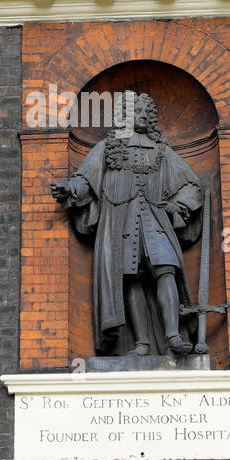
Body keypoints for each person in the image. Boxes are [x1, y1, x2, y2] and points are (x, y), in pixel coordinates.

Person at [51, 92, 204, 356]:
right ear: (124, 116)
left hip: (155, 218)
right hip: (120, 220)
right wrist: (70, 188)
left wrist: (180, 204)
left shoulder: (162, 151)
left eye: (147, 112)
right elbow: (87, 179)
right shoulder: (107, 149)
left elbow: (190, 184)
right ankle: (142, 343)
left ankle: (172, 336)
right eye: (137, 112)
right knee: (131, 277)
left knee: (166, 267)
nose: (143, 116)